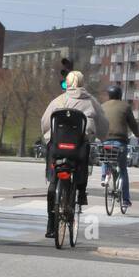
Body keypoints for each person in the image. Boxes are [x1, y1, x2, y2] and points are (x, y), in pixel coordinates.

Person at [39, 71, 108, 238]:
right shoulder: (92, 101)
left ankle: (50, 225)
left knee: (53, 179)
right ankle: (81, 192)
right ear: (82, 83)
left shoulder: (58, 101)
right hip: (77, 150)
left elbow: (44, 122)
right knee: (82, 164)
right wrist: (102, 136)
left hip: (57, 149)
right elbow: (104, 125)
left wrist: (48, 137)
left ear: (67, 84)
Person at [99, 85, 139, 211]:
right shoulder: (125, 107)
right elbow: (132, 123)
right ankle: (126, 200)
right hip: (120, 142)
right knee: (123, 170)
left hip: (105, 141)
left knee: (105, 157)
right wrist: (138, 134)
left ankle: (104, 176)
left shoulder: (102, 106)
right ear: (120, 95)